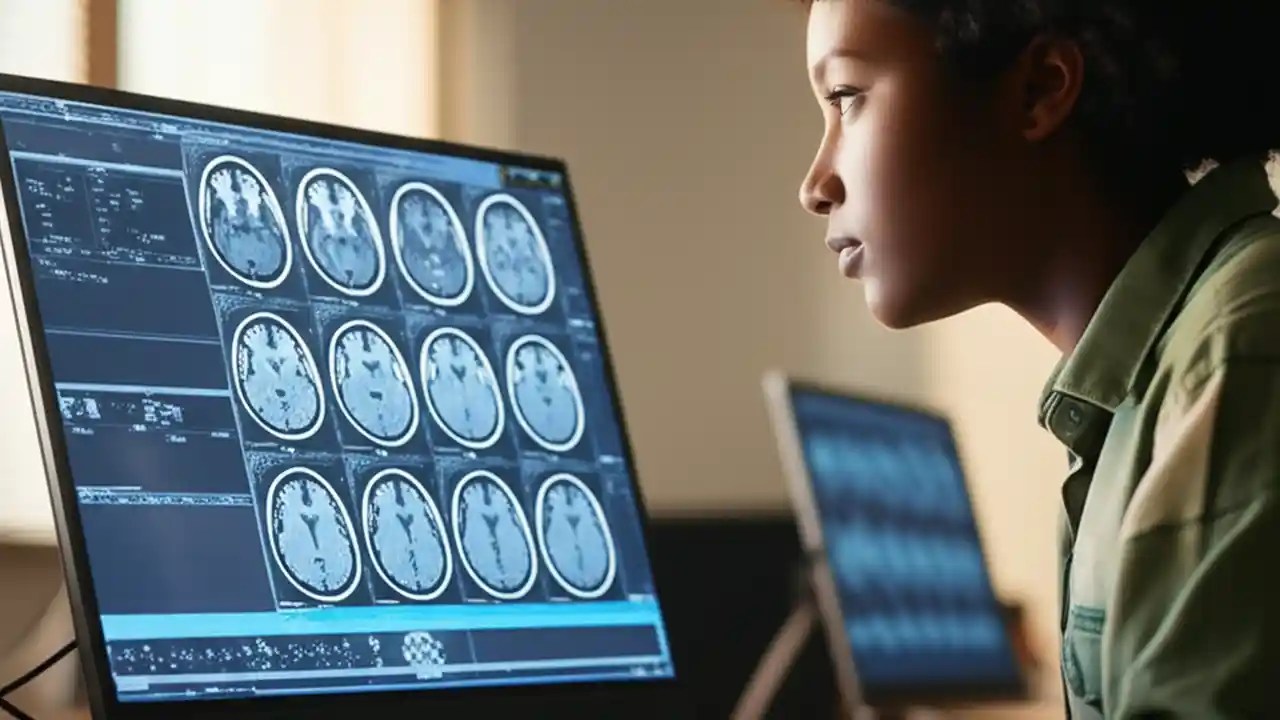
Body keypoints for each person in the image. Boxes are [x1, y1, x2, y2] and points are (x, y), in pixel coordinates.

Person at [793, 1, 1280, 718]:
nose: (815, 185)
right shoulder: (1147, 389)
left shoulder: (1238, 355)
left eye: (846, 97)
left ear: (1039, 91)